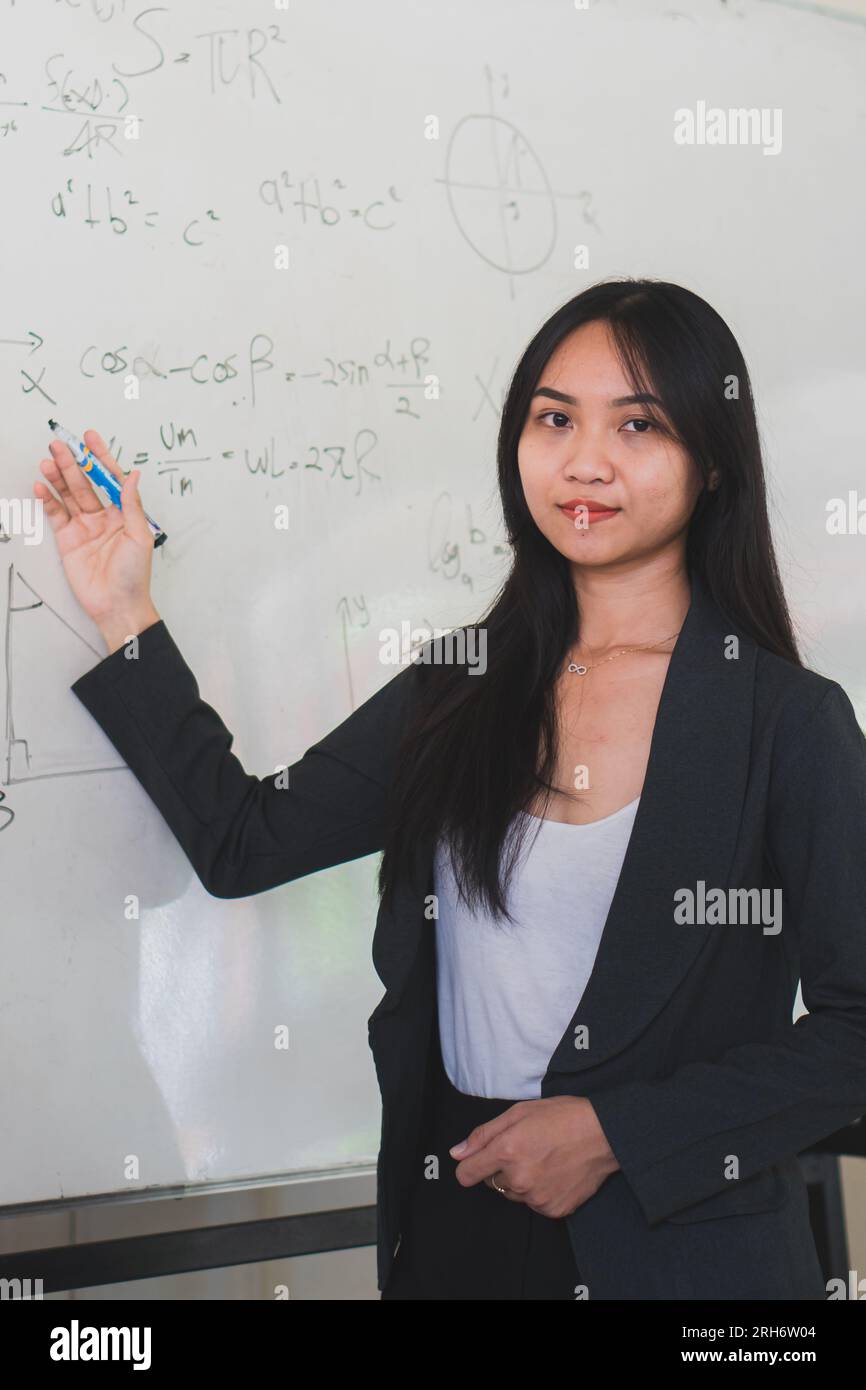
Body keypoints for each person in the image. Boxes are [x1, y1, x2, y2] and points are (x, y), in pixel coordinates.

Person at [35, 278, 866, 1300]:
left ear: (710, 464)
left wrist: (614, 1134)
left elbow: (852, 1030)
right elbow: (242, 842)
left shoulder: (784, 720)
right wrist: (127, 615)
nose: (584, 461)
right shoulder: (457, 686)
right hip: (458, 1238)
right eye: (552, 418)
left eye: (638, 424)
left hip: (682, 1260)